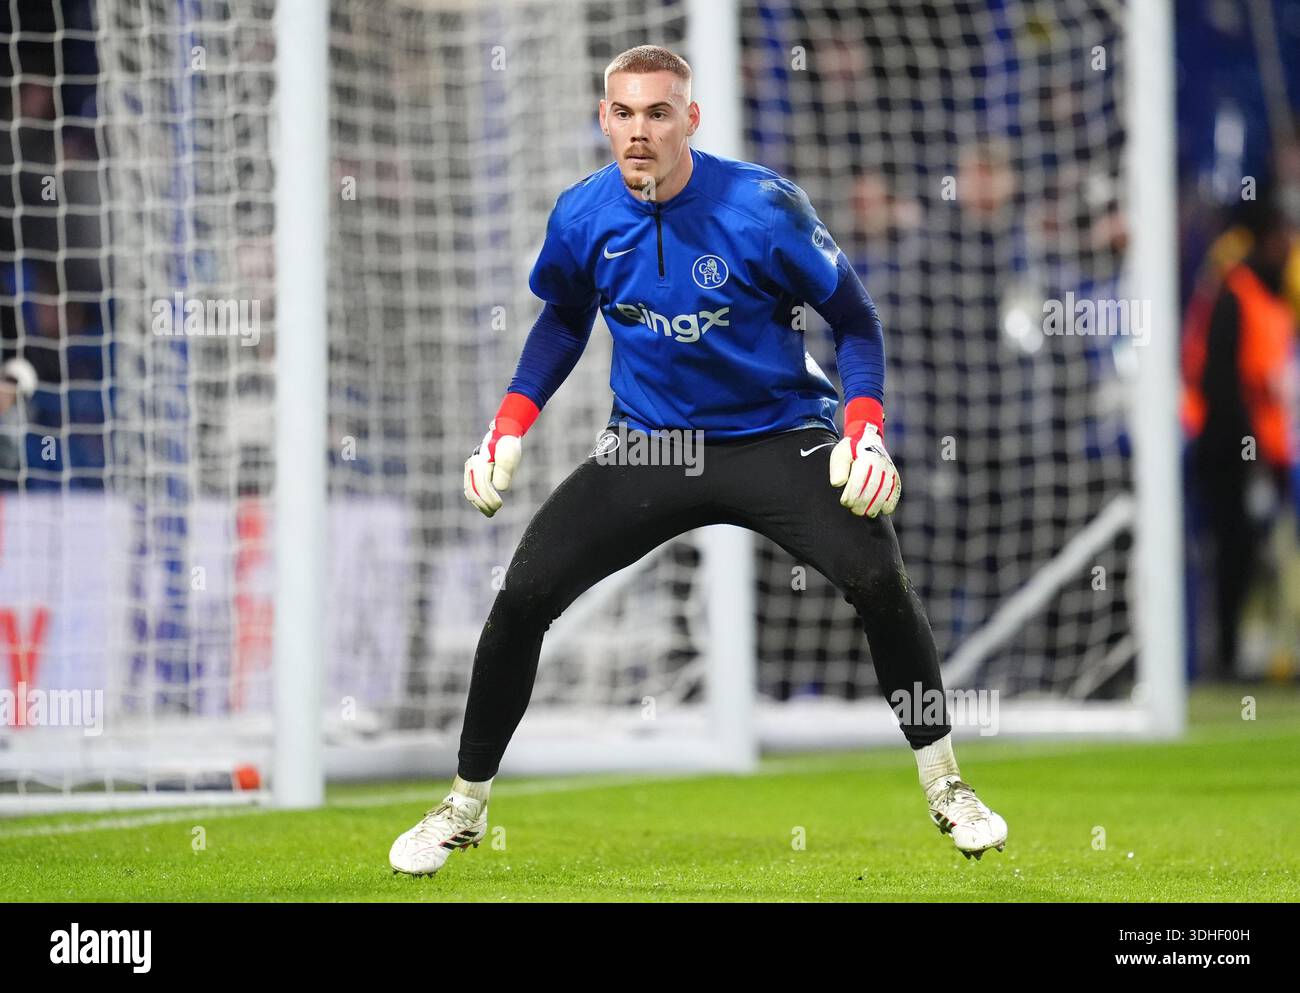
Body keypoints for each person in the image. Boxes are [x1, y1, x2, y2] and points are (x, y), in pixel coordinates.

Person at [389, 46, 1007, 877]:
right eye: (624, 113)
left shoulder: (764, 206)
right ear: (604, 118)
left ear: (691, 118)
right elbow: (564, 321)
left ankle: (947, 784)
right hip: (649, 445)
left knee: (876, 575)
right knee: (525, 593)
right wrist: (508, 423)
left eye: (658, 113)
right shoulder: (582, 215)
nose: (639, 131)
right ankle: (462, 806)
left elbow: (857, 322)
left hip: (776, 436)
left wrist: (862, 428)